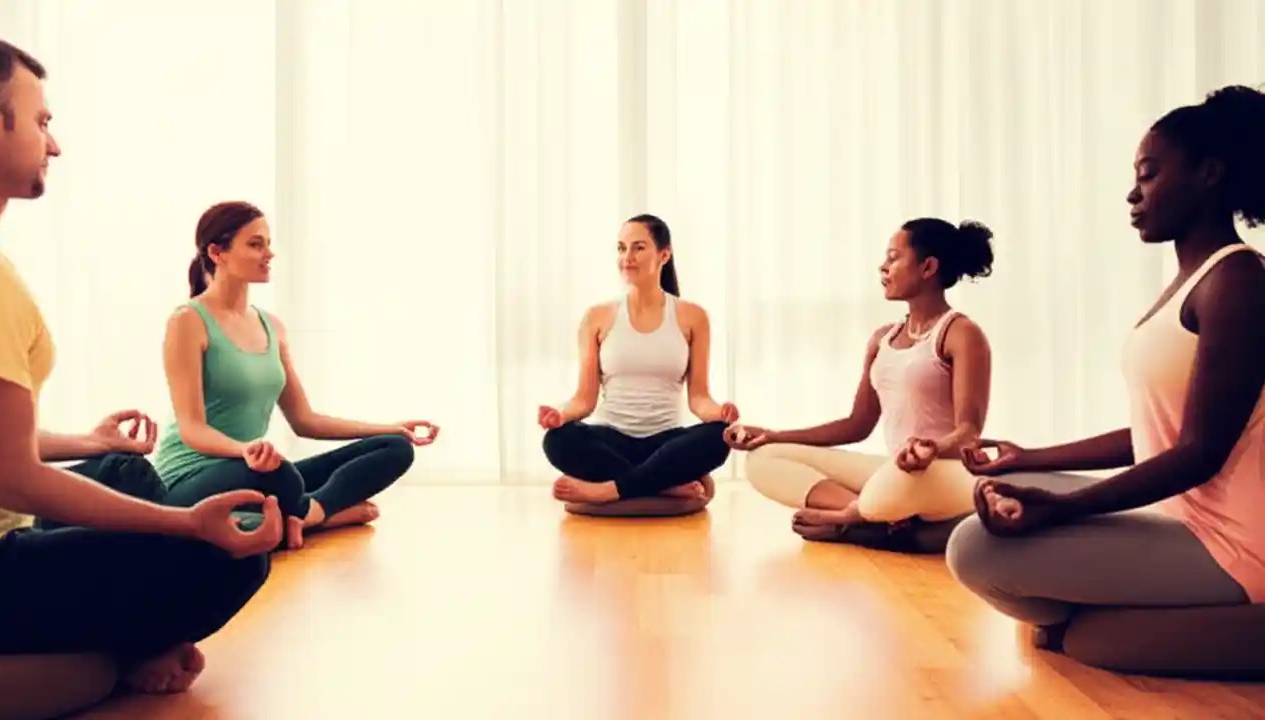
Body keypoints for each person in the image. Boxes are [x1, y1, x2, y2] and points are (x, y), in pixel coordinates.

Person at [0, 32, 279, 696]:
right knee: (229, 554)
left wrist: (90, 441)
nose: (53, 144)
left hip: (6, 524)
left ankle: (106, 649)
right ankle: (114, 659)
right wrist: (185, 523)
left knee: (120, 466)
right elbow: (9, 477)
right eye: (41, 121)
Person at [946, 85, 1265, 650]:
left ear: (1208, 175)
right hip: (1178, 516)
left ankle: (1134, 622)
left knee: (975, 548)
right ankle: (1109, 619)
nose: (1132, 194)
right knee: (1012, 486)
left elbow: (1200, 451)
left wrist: (1066, 508)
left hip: (1232, 542)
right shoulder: (1194, 282)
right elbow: (1156, 434)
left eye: (1148, 174)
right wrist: (1032, 459)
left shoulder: (1239, 283)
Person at [154, 200, 439, 550]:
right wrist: (246, 450)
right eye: (255, 244)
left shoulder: (272, 326)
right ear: (218, 252)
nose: (269, 253)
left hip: (257, 469)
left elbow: (305, 421)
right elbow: (192, 429)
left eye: (268, 243)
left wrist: (389, 427)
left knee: (395, 449)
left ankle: (306, 515)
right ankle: (315, 515)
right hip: (190, 478)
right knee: (278, 474)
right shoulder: (188, 320)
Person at [725, 217, 995, 544]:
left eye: (893, 258)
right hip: (895, 474)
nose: (883, 267)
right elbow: (857, 424)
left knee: (895, 482)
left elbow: (969, 432)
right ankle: (874, 520)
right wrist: (773, 435)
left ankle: (853, 521)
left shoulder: (961, 333)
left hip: (944, 473)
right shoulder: (883, 338)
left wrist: (932, 448)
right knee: (764, 459)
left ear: (928, 267)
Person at [539, 214, 738, 505]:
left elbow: (699, 398)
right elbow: (584, 400)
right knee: (557, 440)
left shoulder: (693, 317)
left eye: (638, 247)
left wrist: (722, 414)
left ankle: (608, 490)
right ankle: (661, 485)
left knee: (719, 437)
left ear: (664, 254)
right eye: (621, 248)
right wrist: (559, 415)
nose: (627, 257)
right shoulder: (597, 317)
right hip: (611, 441)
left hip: (666, 443)